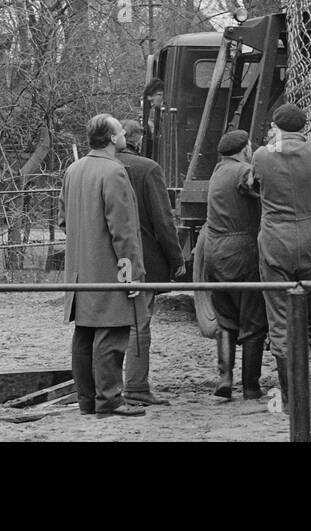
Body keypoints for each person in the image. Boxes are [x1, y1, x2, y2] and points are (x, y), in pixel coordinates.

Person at [248, 102, 311, 408]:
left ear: (276, 127)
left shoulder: (261, 155)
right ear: (305, 127)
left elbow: (254, 181)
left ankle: (292, 395)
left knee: (280, 321)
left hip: (276, 246)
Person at [59, 114, 146, 417]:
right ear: (112, 138)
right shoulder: (114, 172)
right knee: (111, 334)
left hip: (79, 271)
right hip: (108, 270)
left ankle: (87, 400)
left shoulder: (73, 170)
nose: (125, 133)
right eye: (121, 130)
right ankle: (109, 400)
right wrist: (130, 276)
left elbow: (63, 220)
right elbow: (122, 231)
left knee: (83, 336)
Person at [115, 119, 184, 406]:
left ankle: (102, 386)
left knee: (103, 324)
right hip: (138, 260)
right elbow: (163, 220)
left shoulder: (87, 168)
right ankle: (136, 387)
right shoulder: (147, 169)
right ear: (137, 140)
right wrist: (176, 258)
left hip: (102, 261)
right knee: (138, 323)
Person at [199, 129, 267, 400]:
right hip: (241, 251)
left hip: (214, 251)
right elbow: (262, 187)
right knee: (253, 321)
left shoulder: (218, 172)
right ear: (245, 148)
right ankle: (251, 386)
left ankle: (224, 379)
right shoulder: (242, 171)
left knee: (226, 318)